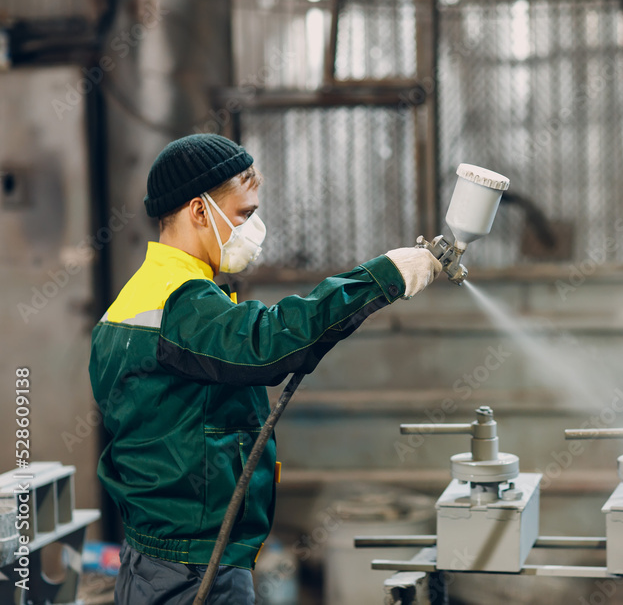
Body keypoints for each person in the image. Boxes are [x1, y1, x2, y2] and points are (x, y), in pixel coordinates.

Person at [89, 133, 441, 603]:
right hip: (193, 568)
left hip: (154, 558)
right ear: (198, 211)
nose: (254, 229)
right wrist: (382, 277)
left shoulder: (132, 301)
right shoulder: (182, 302)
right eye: (244, 215)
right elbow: (268, 340)